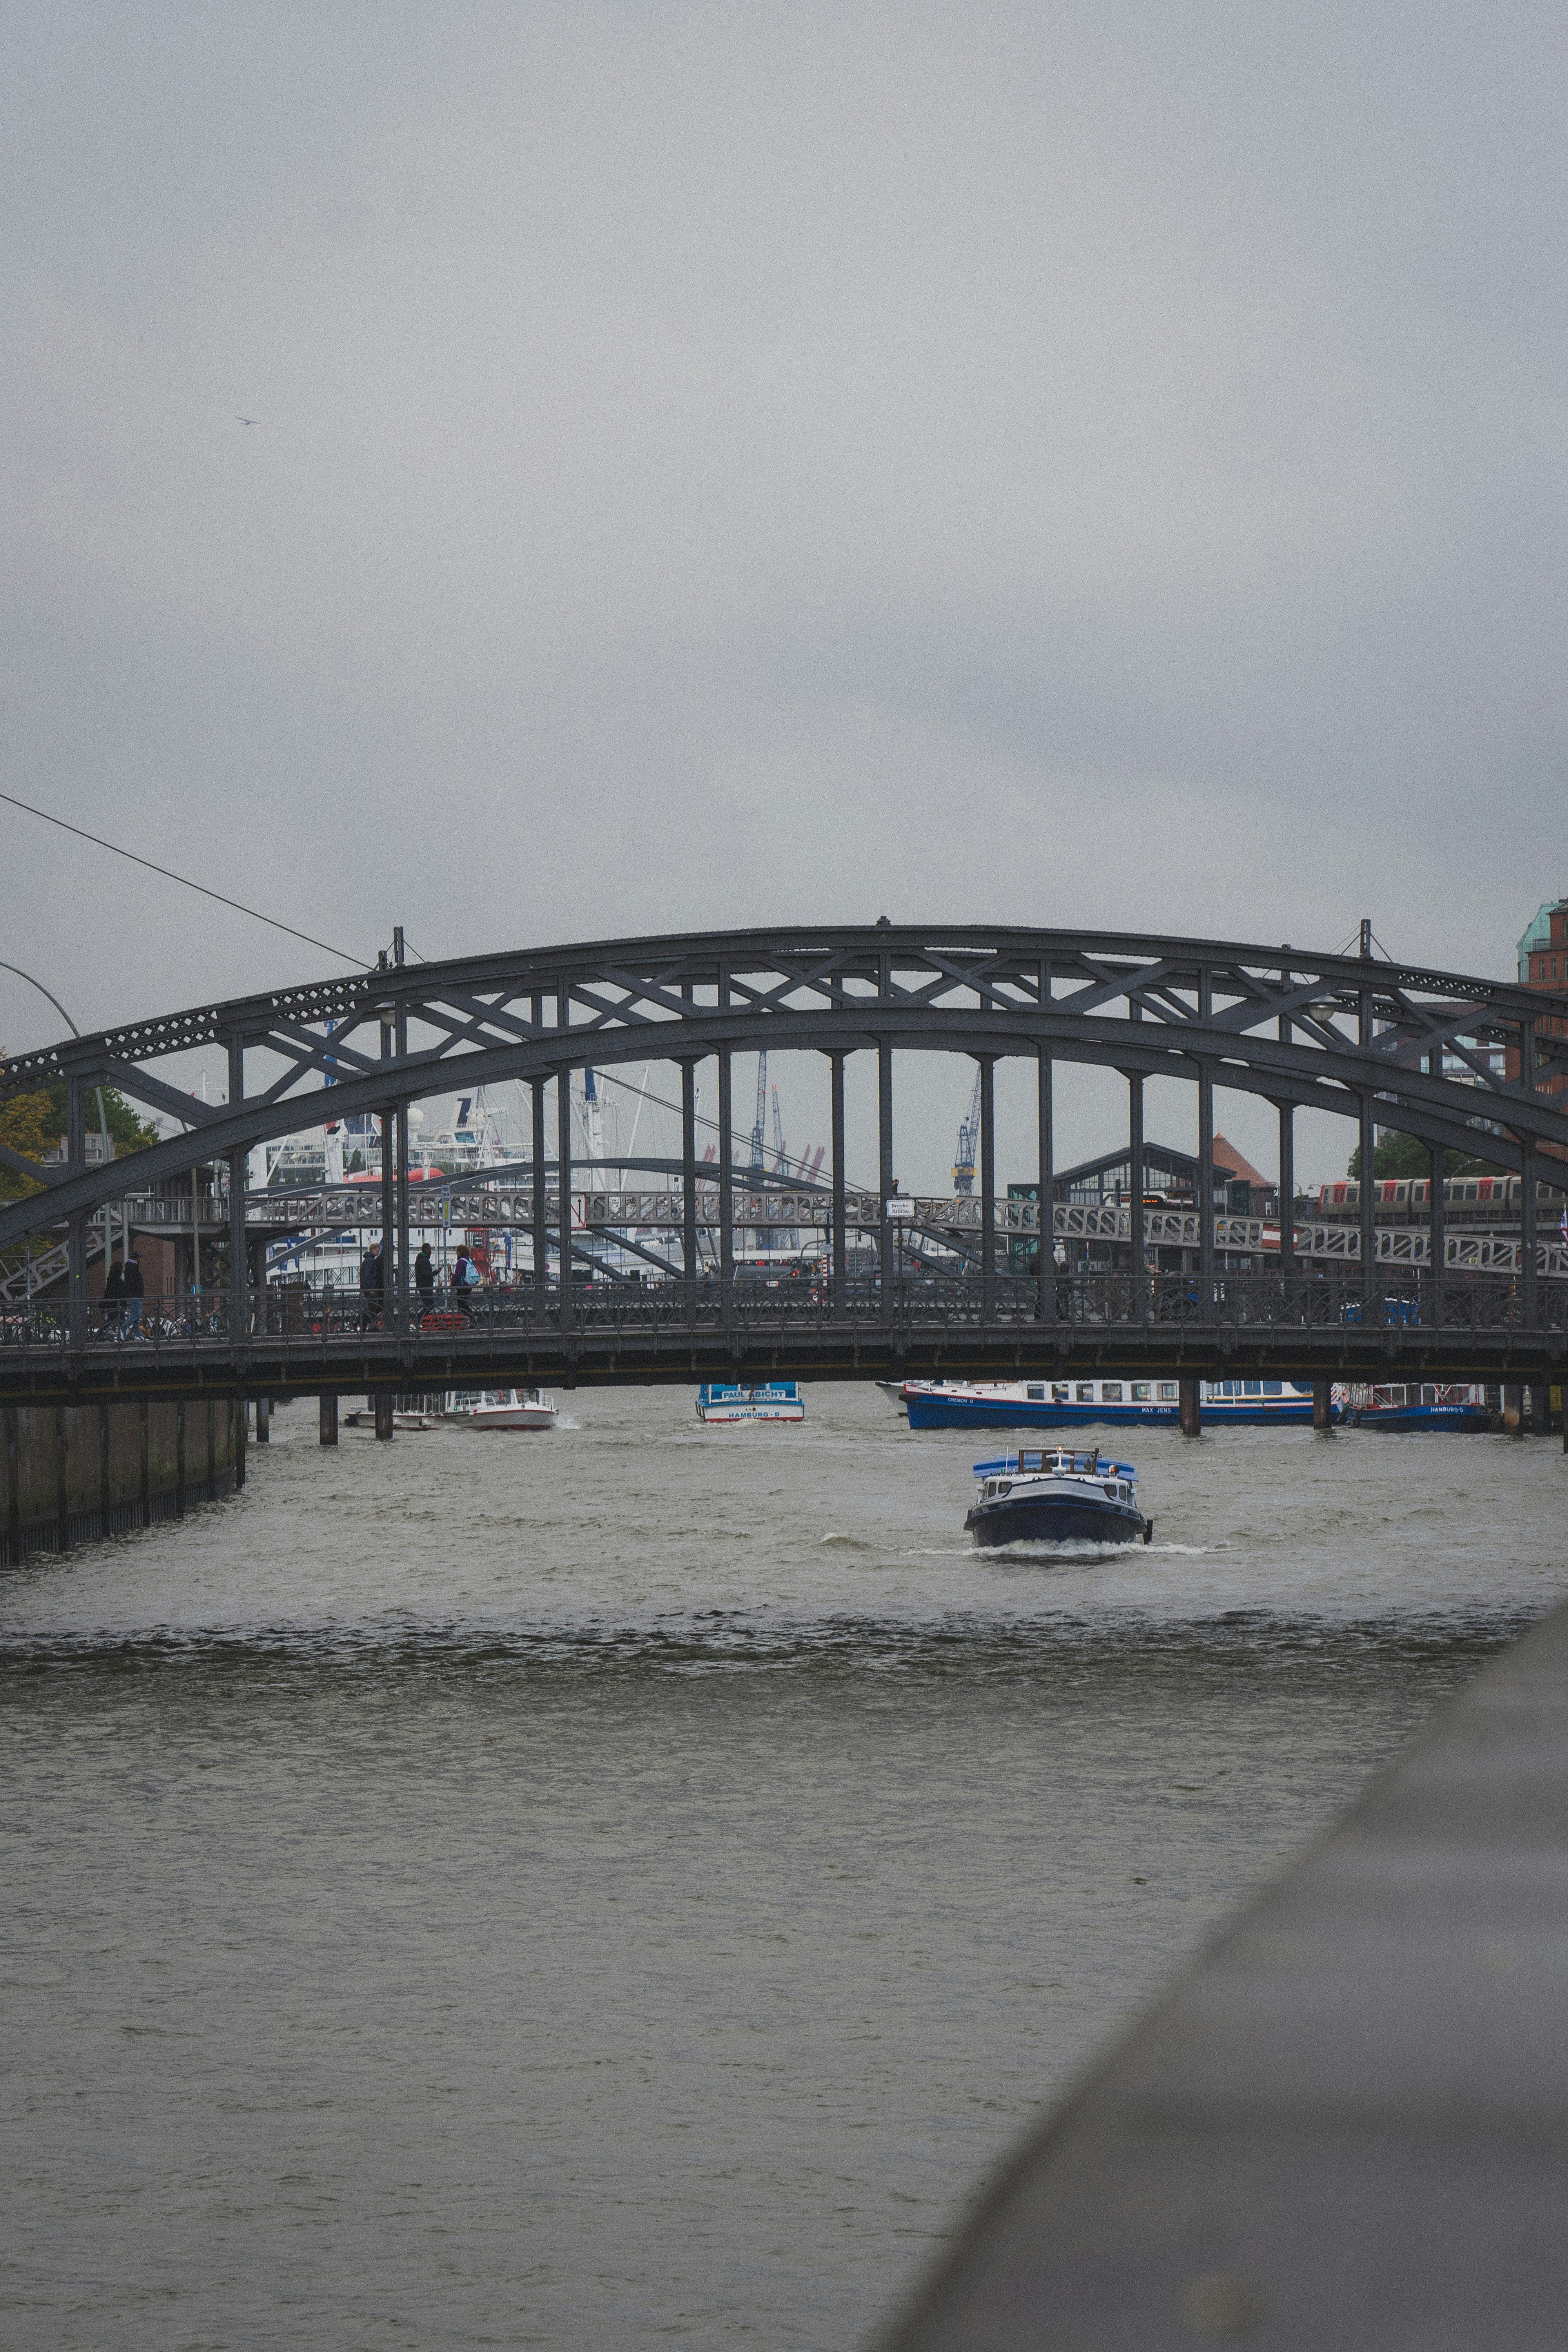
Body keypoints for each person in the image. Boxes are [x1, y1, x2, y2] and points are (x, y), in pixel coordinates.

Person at [98, 1253, 125, 1338]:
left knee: (113, 1319)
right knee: (116, 1320)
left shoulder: (113, 1278)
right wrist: (119, 1304)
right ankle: (121, 1335)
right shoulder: (117, 1280)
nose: (123, 1270)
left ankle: (121, 1334)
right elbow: (116, 1293)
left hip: (113, 1303)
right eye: (122, 1268)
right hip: (115, 1304)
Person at [359, 1239, 383, 1328]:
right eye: (378, 1250)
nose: (378, 1252)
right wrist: (371, 1289)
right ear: (373, 1250)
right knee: (374, 1305)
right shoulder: (370, 1261)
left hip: (366, 1288)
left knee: (372, 1305)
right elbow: (368, 1275)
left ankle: (363, 1322)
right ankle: (364, 1321)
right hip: (369, 1288)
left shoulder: (368, 1260)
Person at [121, 1250, 145, 1338]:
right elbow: (136, 1282)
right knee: (137, 1314)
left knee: (136, 1318)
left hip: (132, 1295)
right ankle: (123, 1328)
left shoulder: (130, 1267)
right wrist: (140, 1291)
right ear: (138, 1259)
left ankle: (137, 1334)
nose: (141, 1260)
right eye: (140, 1258)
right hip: (135, 1296)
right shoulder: (133, 1268)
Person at [452, 1245, 477, 1317]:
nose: (456, 1253)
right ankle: (469, 1319)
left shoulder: (461, 1262)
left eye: (457, 1252)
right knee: (463, 1303)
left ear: (460, 1252)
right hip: (469, 1285)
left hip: (462, 1286)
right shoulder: (469, 1260)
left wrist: (453, 1283)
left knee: (461, 1305)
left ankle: (472, 1318)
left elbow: (458, 1275)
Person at [414, 1243, 435, 1321]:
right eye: (430, 1250)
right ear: (426, 1250)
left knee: (427, 1304)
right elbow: (426, 1275)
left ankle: (422, 1320)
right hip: (426, 1286)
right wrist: (436, 1272)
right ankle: (418, 1319)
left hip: (422, 1286)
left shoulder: (420, 1259)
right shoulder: (425, 1261)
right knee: (432, 1304)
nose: (431, 1251)